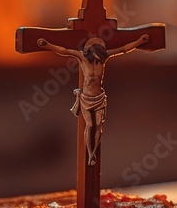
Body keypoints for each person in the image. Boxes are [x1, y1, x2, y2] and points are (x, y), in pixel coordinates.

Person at [37, 34, 149, 165]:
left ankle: (92, 153)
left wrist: (139, 41)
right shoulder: (82, 58)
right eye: (96, 55)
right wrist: (48, 45)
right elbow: (65, 51)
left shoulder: (103, 58)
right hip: (87, 98)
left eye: (99, 56)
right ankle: (89, 151)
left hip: (99, 97)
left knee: (98, 127)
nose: (98, 59)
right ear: (91, 52)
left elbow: (123, 49)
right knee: (90, 125)